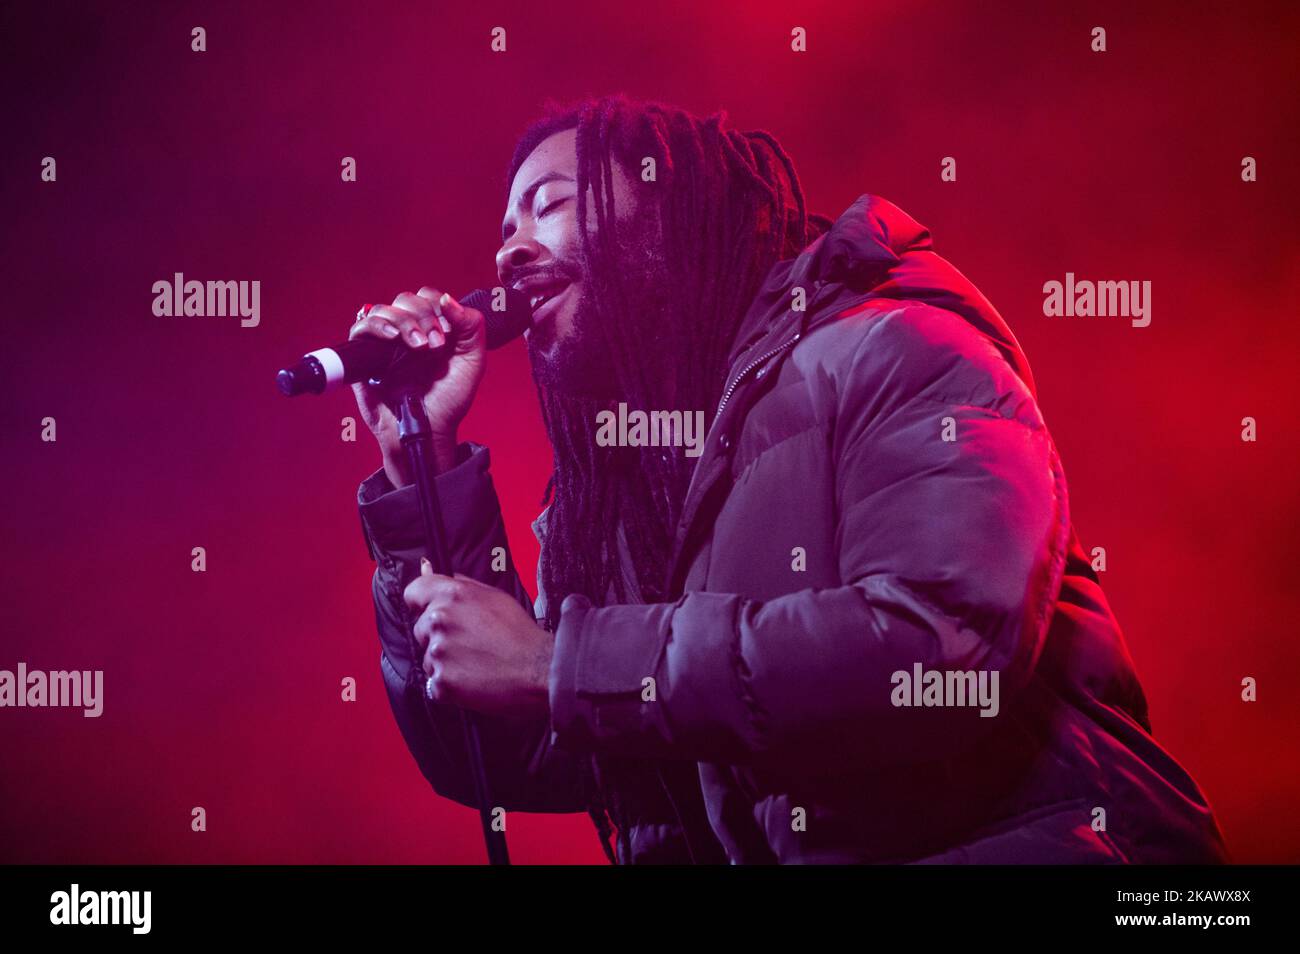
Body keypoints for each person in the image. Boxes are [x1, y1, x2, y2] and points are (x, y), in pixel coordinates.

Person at [351, 95, 1228, 864]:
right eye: (503, 230)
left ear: (669, 207)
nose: (509, 254)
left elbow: (940, 642)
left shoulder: (895, 349)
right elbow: (519, 750)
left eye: (548, 206)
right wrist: (420, 468)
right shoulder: (623, 500)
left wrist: (562, 663)